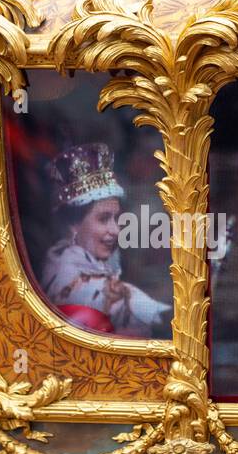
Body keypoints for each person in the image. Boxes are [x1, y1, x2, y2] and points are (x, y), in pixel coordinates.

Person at [39, 143, 171, 337]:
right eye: (103, 219)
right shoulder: (75, 283)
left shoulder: (92, 267)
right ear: (73, 225)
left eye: (116, 219)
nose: (116, 230)